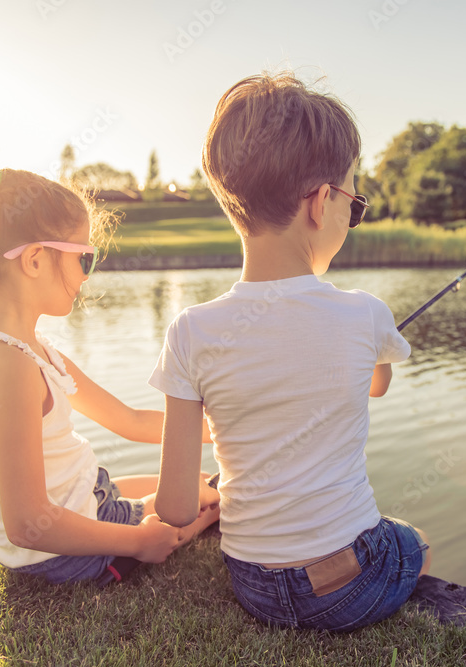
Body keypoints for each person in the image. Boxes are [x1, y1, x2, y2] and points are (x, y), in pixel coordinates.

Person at [150, 72, 431, 631]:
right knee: (413, 540)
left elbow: (177, 509)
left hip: (252, 582)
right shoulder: (366, 312)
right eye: (354, 204)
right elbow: (376, 385)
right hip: (348, 587)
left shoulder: (190, 330)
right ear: (321, 201)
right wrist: (371, 342)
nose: (351, 217)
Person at [0, 169, 220, 585]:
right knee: (209, 497)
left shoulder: (28, 351)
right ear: (35, 259)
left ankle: (174, 502)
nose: (86, 276)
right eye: (83, 259)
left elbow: (130, 422)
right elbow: (27, 523)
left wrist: (225, 430)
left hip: (82, 500)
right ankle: (187, 520)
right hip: (58, 552)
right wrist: (138, 543)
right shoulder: (10, 367)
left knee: (193, 483)